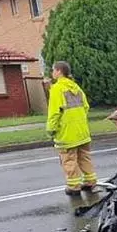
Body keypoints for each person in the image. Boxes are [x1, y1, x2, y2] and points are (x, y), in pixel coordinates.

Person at [46, 61, 96, 195]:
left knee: (69, 160)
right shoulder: (76, 87)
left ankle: (74, 187)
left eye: (53, 70)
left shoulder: (57, 89)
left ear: (58, 71)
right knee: (84, 157)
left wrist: (51, 129)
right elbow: (86, 107)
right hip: (82, 131)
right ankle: (90, 182)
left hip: (67, 133)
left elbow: (54, 112)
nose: (52, 73)